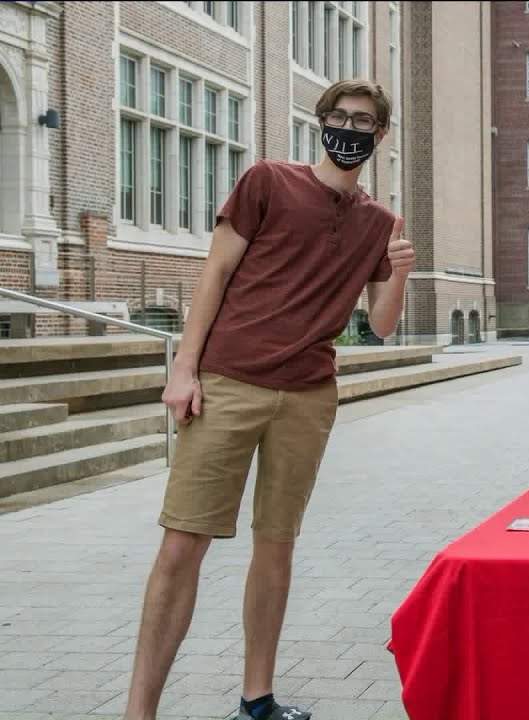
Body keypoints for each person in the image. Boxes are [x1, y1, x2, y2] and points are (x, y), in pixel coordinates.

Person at [123, 79, 413, 720]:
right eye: (337, 116)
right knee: (181, 546)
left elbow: (383, 326)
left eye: (362, 120)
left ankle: (258, 700)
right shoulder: (267, 181)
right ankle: (137, 713)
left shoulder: (378, 222)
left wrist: (402, 269)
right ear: (320, 123)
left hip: (308, 398)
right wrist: (184, 369)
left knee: (276, 544)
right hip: (227, 382)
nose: (348, 127)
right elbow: (215, 274)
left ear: (380, 136)